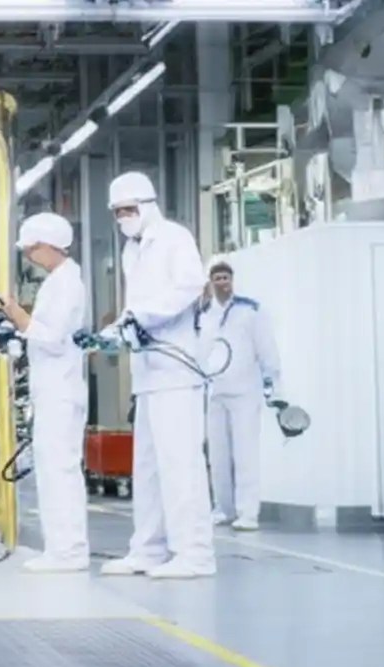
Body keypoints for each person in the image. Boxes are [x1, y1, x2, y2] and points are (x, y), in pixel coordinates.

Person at [97, 171, 215, 579]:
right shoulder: (134, 250)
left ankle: (195, 554)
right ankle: (148, 550)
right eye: (117, 212)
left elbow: (188, 286)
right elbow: (138, 307)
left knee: (181, 465)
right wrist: (117, 330)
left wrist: (139, 317)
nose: (123, 218)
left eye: (129, 210)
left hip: (177, 371)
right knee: (146, 468)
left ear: (148, 205)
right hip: (148, 375)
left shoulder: (173, 238)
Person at [0, 213, 90, 572]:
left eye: (33, 249)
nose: (30, 257)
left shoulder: (67, 284)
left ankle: (68, 552)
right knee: (53, 471)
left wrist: (19, 318)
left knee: (60, 471)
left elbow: (52, 338)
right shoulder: (58, 281)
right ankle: (61, 549)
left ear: (50, 245)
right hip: (52, 390)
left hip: (61, 392)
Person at [197, 259, 281, 531]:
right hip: (215, 393)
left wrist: (272, 382)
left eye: (226, 277)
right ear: (210, 282)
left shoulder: (250, 310)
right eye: (217, 278)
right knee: (218, 456)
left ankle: (248, 513)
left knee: (246, 454)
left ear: (232, 280)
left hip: (245, 392)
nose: (222, 282)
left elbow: (266, 348)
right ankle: (223, 508)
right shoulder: (203, 315)